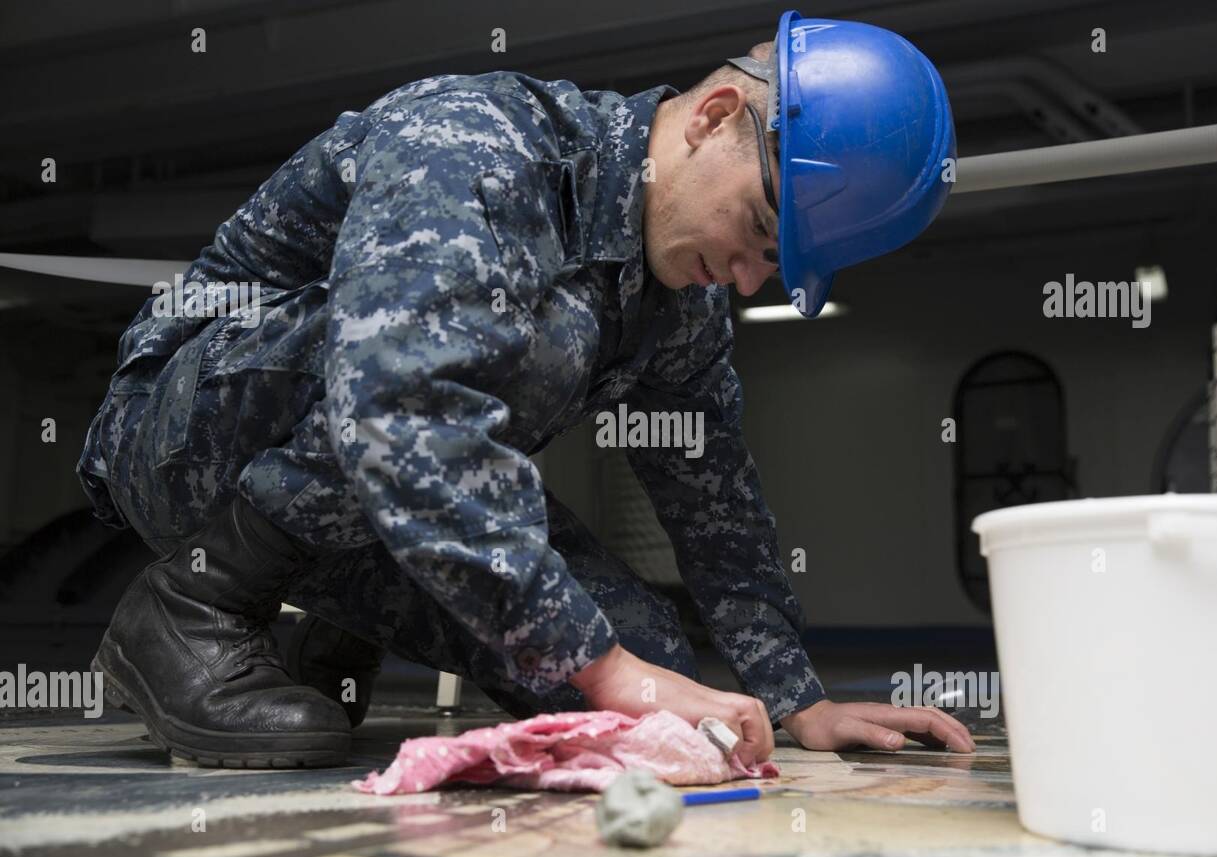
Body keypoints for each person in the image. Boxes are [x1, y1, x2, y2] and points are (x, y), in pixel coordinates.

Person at [77, 10, 971, 768]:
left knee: (656, 679)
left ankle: (327, 616)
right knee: (531, 360)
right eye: (759, 229)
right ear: (714, 116)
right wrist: (602, 666)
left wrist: (791, 698)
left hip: (366, 475)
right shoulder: (480, 145)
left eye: (773, 268)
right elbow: (402, 406)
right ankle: (194, 606)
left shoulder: (681, 301)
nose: (744, 278)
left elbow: (717, 500)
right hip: (179, 434)